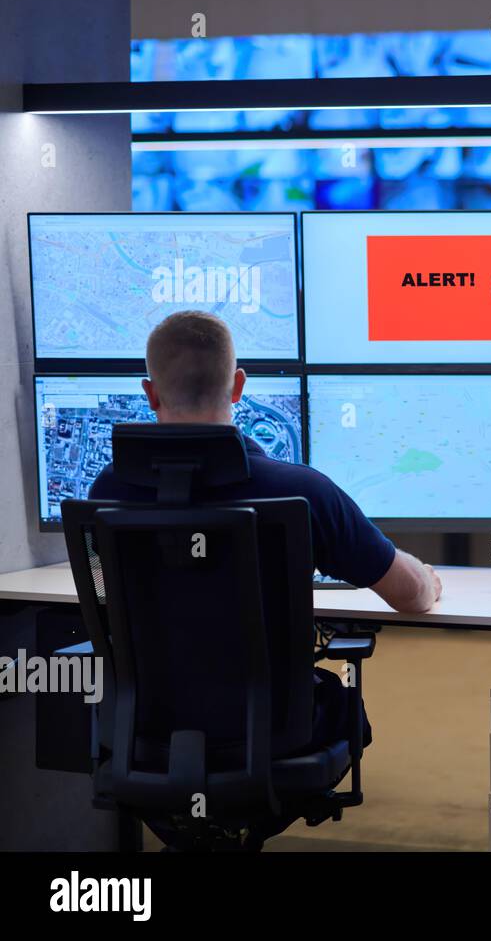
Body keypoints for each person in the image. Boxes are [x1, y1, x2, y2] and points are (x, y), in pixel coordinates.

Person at [89, 310, 442, 749]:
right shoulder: (301, 492)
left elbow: (106, 596)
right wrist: (427, 578)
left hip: (144, 731)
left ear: (150, 393)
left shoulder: (105, 494)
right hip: (275, 735)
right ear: (239, 386)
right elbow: (410, 596)